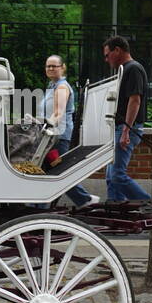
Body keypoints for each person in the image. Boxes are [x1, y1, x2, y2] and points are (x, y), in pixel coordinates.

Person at [42, 54, 100, 207]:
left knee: (59, 172)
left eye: (54, 66)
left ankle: (85, 200)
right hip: (51, 136)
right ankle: (40, 205)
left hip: (58, 137)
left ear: (62, 68)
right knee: (50, 172)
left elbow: (58, 113)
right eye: (48, 66)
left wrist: (46, 129)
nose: (50, 68)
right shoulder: (51, 86)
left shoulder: (61, 87)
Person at [103, 36, 151, 202]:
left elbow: (135, 100)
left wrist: (126, 131)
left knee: (116, 176)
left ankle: (149, 204)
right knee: (111, 177)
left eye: (107, 55)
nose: (106, 59)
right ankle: (117, 213)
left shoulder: (133, 69)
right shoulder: (125, 69)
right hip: (121, 128)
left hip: (126, 128)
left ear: (118, 50)